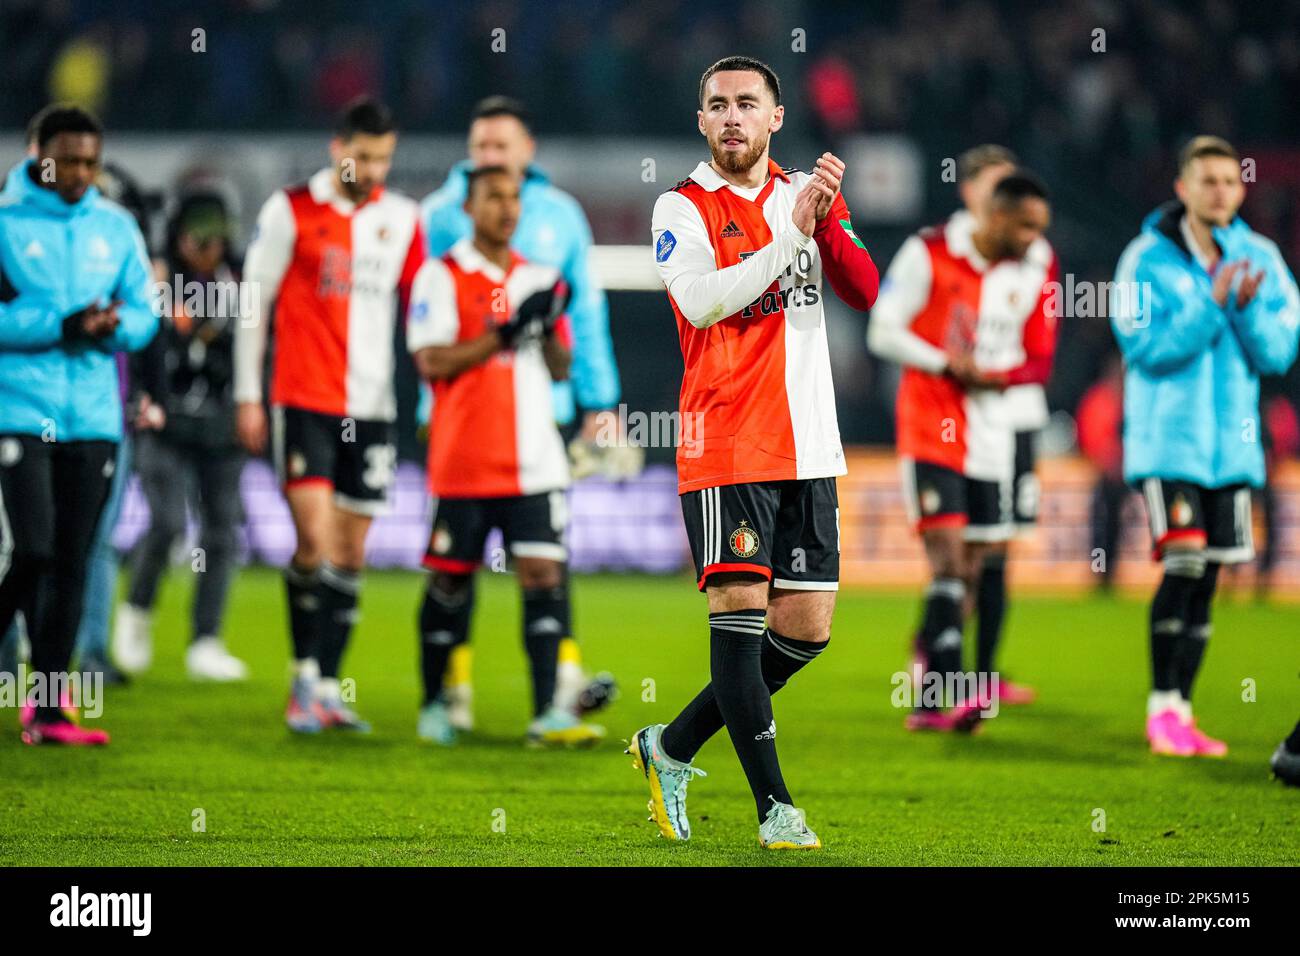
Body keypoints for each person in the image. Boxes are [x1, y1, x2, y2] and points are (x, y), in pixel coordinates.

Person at [632, 55, 878, 849]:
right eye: (716, 105)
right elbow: (704, 301)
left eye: (747, 103)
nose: (731, 117)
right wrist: (790, 236)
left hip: (809, 442)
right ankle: (777, 808)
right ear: (701, 121)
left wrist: (828, 221)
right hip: (727, 440)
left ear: (776, 117)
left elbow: (865, 291)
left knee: (804, 630)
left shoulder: (802, 194)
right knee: (737, 621)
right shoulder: (682, 205)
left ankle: (669, 745)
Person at [420, 96, 623, 731]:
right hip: (463, 431)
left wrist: (598, 400)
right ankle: (447, 699)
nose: (489, 159)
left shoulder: (559, 222)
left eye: (500, 147)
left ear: (526, 152)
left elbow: (582, 318)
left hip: (537, 431)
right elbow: (430, 348)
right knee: (454, 577)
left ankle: (554, 703)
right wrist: (499, 339)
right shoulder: (436, 228)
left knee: (544, 566)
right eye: (480, 147)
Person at [234, 97, 424, 733]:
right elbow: (252, 304)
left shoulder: (402, 218)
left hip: (373, 408)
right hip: (305, 399)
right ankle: (303, 678)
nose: (371, 169)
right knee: (313, 541)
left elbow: (424, 310)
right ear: (336, 147)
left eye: (382, 160)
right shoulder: (290, 210)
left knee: (350, 551)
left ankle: (326, 687)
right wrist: (247, 394)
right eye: (362, 157)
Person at [1111, 135, 1299, 757]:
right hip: (1168, 443)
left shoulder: (1262, 256)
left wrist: (1239, 311)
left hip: (1235, 450)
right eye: (1207, 180)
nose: (1220, 190)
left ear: (1240, 189)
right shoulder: (1146, 258)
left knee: (1210, 573)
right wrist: (1214, 305)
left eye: (1229, 180)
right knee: (1184, 559)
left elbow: (1279, 350)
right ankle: (1161, 706)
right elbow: (1145, 349)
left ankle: (1183, 710)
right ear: (1183, 187)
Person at [868, 171, 1057, 731]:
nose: (1033, 239)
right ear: (993, 216)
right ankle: (955, 691)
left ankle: (928, 702)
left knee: (974, 567)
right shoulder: (927, 253)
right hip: (931, 428)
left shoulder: (1025, 272)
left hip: (994, 436)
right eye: (1024, 226)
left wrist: (1004, 376)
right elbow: (882, 328)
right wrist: (945, 363)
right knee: (949, 559)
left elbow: (1035, 355)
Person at [0, 105, 158, 745]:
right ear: (38, 151)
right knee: (33, 551)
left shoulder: (117, 227)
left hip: (93, 417)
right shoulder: (5, 224)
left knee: (72, 559)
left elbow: (147, 311)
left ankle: (48, 709)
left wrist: (115, 326)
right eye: (67, 159)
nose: (80, 173)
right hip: (18, 412)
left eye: (91, 162)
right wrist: (61, 325)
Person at [113, 185, 249, 681]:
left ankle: (206, 640)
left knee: (220, 530)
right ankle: (137, 616)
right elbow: (136, 342)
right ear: (180, 238)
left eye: (216, 241)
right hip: (163, 421)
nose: (208, 251)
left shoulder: (238, 285)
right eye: (199, 240)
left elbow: (247, 349)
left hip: (221, 424)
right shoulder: (153, 282)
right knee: (167, 522)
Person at [1075, 354, 1127, 592]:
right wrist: (1109, 459)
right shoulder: (1102, 399)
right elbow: (1091, 434)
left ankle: (1110, 572)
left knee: (1115, 525)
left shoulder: (1126, 399)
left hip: (1124, 473)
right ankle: (1101, 572)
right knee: (1102, 523)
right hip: (1105, 474)